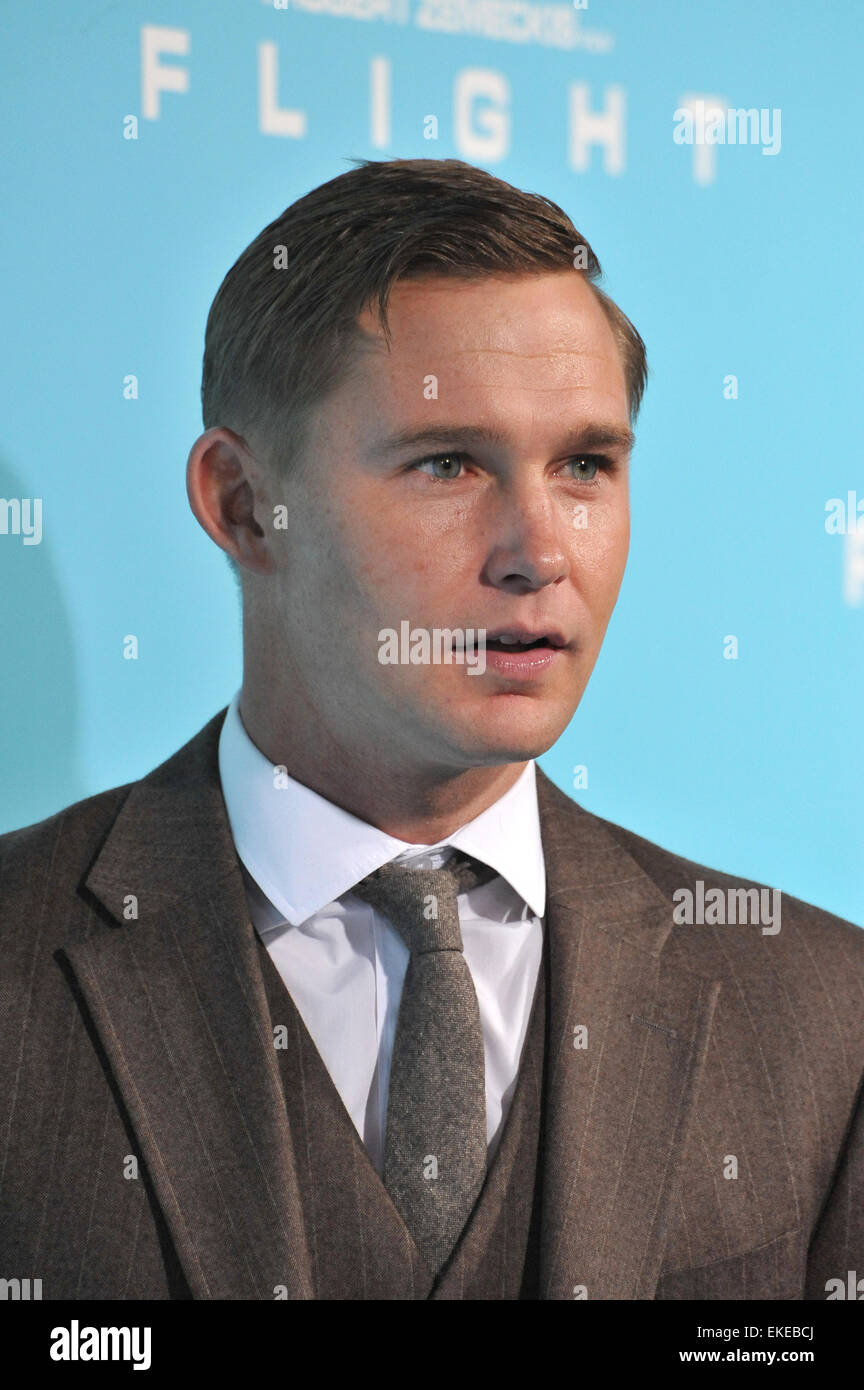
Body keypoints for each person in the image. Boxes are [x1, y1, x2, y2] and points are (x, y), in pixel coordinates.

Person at [1, 158, 861, 1301]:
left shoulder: (818, 1009)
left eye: (586, 466)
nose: (539, 551)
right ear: (245, 505)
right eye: (448, 463)